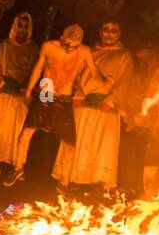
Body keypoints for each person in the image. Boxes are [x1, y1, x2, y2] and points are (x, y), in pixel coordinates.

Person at [6, 23, 99, 188]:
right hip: (46, 91)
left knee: (70, 144)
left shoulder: (84, 51)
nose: (71, 48)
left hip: (64, 97)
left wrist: (104, 84)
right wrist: (28, 90)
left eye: (75, 46)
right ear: (62, 38)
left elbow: (94, 72)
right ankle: (18, 167)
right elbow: (38, 67)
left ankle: (64, 183)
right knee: (27, 131)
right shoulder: (49, 47)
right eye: (68, 44)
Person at [52, 19, 133, 195]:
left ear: (119, 34)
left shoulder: (124, 55)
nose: (109, 33)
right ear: (100, 31)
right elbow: (76, 73)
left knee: (102, 146)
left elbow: (125, 82)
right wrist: (79, 94)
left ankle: (98, 182)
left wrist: (110, 101)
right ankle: (70, 179)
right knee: (77, 142)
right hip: (83, 105)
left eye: (114, 30)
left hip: (106, 109)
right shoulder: (87, 51)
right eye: (106, 29)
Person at [0, 12, 36, 175]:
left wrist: (26, 89)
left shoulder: (32, 48)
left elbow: (35, 71)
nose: (22, 29)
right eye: (19, 25)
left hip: (21, 96)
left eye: (25, 26)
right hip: (2, 92)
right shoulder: (5, 44)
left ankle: (15, 165)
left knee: (16, 130)